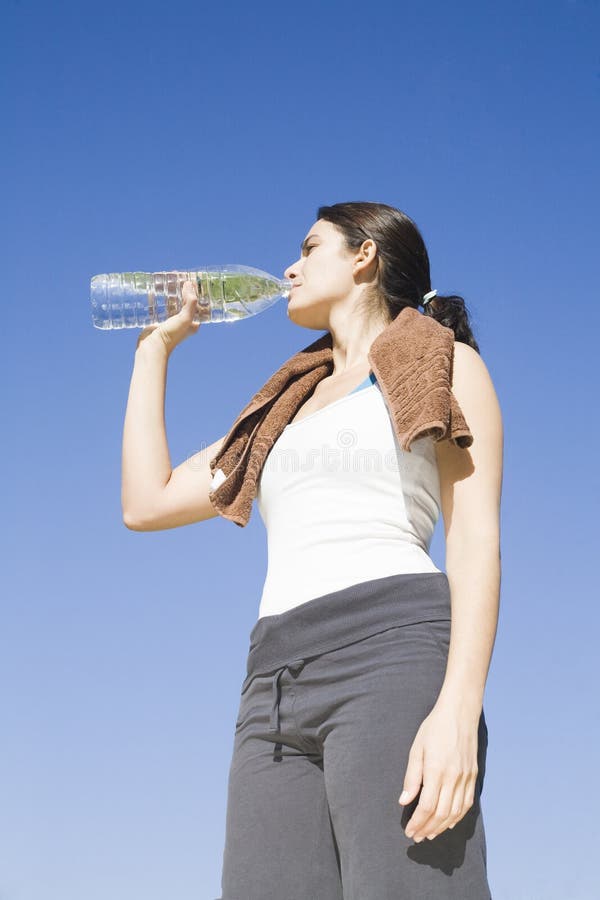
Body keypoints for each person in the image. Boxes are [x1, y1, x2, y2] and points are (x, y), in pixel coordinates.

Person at [121, 201, 503, 899]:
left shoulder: (446, 365)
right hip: (272, 682)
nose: (289, 267)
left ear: (364, 256)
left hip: (391, 651)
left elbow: (475, 540)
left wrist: (457, 709)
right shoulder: (280, 411)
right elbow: (144, 504)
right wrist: (155, 349)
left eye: (309, 247)